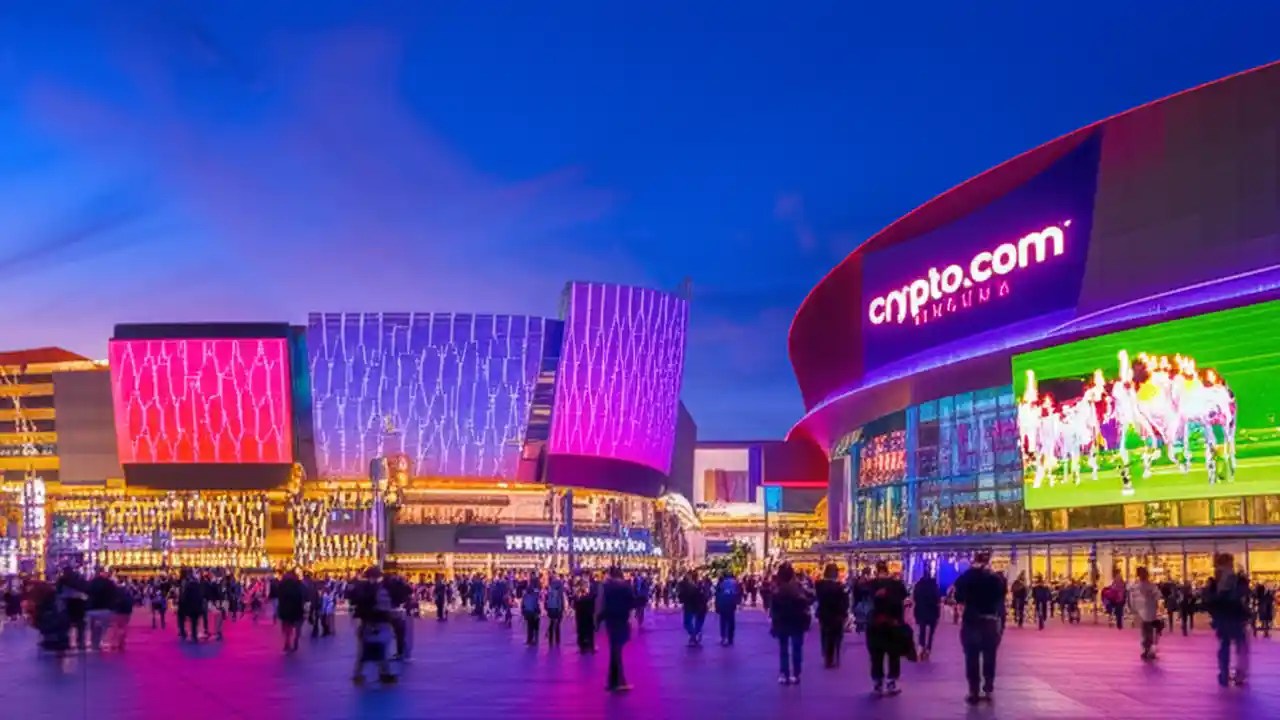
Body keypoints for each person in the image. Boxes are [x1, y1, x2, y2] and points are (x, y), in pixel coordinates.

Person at [954, 551, 1005, 705]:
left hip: (971, 621)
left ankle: (973, 690)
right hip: (989, 621)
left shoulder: (966, 577)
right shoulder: (996, 579)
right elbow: (1000, 596)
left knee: (972, 657)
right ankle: (988, 687)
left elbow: (959, 596)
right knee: (990, 656)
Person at [1203, 553, 1250, 686]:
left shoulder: (1214, 581)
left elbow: (1208, 599)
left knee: (1225, 644)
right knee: (1240, 644)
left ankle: (1224, 673)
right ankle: (1239, 673)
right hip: (1235, 614)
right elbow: (1243, 593)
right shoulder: (1236, 578)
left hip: (1223, 616)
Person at [866, 561, 910, 695]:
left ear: (876, 571)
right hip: (893, 624)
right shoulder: (897, 584)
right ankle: (892, 682)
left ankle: (878, 683)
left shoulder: (870, 585)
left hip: (875, 625)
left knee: (876, 656)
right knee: (893, 655)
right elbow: (904, 599)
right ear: (887, 570)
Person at [348, 567, 396, 685]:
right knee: (378, 650)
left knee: (367, 651)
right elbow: (374, 606)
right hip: (374, 622)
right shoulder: (372, 589)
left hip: (369, 623)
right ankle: (383, 673)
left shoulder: (365, 588)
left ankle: (360, 674)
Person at [769, 562, 811, 686]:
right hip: (797, 621)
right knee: (797, 647)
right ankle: (796, 674)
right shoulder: (798, 588)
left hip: (782, 621)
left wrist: (773, 621)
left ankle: (784, 673)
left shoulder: (777, 589)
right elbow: (807, 600)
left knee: (783, 648)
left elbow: (774, 608)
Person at [597, 566, 635, 692]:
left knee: (615, 650)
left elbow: (602, 604)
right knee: (617, 651)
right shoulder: (625, 587)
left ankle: (614, 680)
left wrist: (599, 619)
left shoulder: (606, 587)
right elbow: (631, 602)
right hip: (621, 619)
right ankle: (617, 681)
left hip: (610, 620)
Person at [815, 563, 849, 668]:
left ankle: (827, 655)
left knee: (825, 634)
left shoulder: (819, 585)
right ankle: (835, 655)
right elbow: (845, 602)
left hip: (824, 614)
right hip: (837, 615)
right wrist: (844, 613)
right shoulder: (839, 587)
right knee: (836, 636)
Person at [1129, 566, 1161, 661]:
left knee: (1147, 633)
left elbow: (1157, 596)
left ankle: (1148, 650)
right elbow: (1157, 596)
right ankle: (1148, 650)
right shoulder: (1146, 586)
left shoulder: (1143, 586)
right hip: (1147, 613)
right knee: (1147, 633)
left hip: (1148, 613)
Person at [912, 568, 941, 660]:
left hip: (921, 610)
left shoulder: (918, 585)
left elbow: (915, 597)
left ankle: (921, 646)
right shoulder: (934, 585)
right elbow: (937, 598)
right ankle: (928, 648)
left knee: (922, 630)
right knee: (931, 632)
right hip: (932, 611)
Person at [276, 570, 307, 653]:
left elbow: (279, 597)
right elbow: (303, 595)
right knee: (297, 627)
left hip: (285, 610)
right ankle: (295, 639)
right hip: (297, 609)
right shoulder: (299, 585)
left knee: (287, 628)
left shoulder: (282, 585)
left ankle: (287, 642)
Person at [678, 570, 708, 646]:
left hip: (691, 605)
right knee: (695, 621)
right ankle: (695, 635)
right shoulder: (700, 584)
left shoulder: (689, 585)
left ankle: (694, 636)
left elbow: (682, 595)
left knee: (688, 622)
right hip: (699, 605)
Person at [714, 572, 742, 646]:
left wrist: (716, 606)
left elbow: (717, 594)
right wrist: (738, 603)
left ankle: (723, 636)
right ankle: (730, 637)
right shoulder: (735, 583)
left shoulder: (721, 583)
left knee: (723, 620)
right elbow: (739, 593)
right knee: (731, 621)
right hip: (731, 604)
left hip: (722, 604)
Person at [573, 578, 596, 653]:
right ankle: (591, 646)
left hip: (580, 615)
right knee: (589, 630)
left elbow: (575, 605)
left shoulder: (577, 594)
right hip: (588, 614)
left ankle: (583, 647)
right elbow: (593, 600)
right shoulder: (589, 594)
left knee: (581, 631)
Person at [545, 578, 566, 646]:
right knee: (557, 625)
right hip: (557, 610)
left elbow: (547, 602)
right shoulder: (559, 593)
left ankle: (551, 640)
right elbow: (560, 603)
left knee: (551, 624)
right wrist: (561, 610)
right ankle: (557, 640)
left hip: (551, 610)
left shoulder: (550, 592)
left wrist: (548, 609)